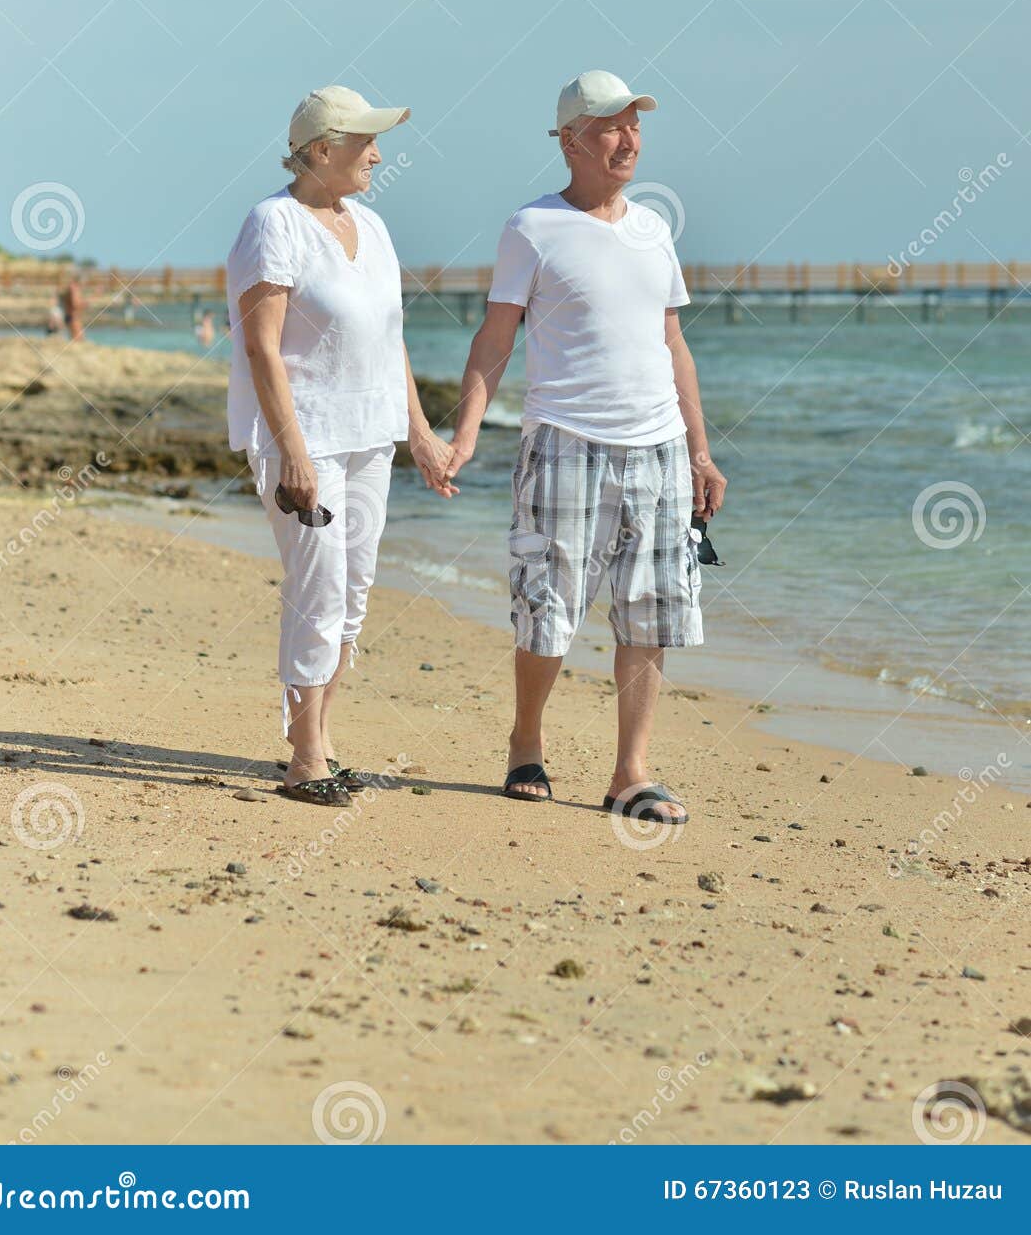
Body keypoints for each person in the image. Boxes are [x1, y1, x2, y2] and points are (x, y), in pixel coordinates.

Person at [447, 70, 727, 823]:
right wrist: (464, 434)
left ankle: (629, 774)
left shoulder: (652, 229)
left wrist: (699, 452)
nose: (627, 138)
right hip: (565, 442)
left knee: (652, 614)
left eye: (634, 125)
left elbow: (673, 345)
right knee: (547, 606)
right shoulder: (531, 227)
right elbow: (495, 337)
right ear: (569, 140)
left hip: (659, 450)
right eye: (609, 126)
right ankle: (524, 742)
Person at [226, 85, 456, 808]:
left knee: (351, 596)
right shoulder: (273, 224)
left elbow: (390, 344)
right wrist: (292, 451)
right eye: (365, 142)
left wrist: (418, 433)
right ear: (323, 148)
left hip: (368, 438)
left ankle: (318, 739)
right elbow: (262, 349)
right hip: (306, 443)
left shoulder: (375, 228)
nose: (378, 154)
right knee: (317, 591)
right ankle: (303, 759)